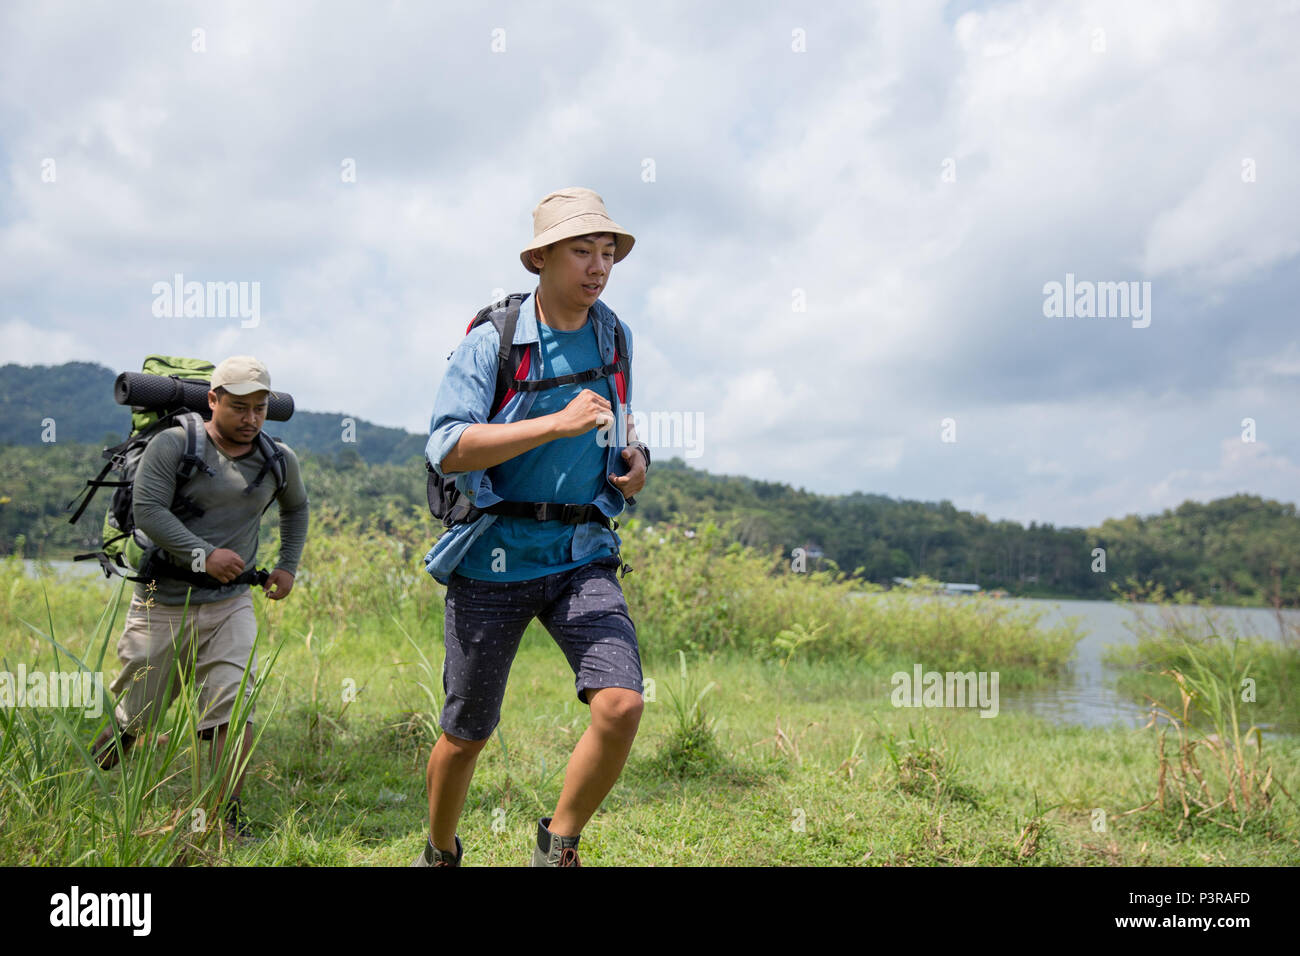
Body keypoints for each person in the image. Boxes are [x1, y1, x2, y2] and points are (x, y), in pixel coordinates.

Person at [415, 187, 651, 867]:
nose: (599, 266)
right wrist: (553, 423)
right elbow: (449, 446)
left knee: (621, 705)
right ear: (541, 258)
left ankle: (559, 842)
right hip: (492, 557)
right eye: (583, 250)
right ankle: (439, 850)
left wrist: (634, 467)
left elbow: (619, 422)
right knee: (465, 735)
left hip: (582, 555)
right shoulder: (494, 340)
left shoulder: (615, 336)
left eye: (608, 253)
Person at [90, 356, 310, 840]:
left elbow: (296, 510)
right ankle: (96, 767)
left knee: (232, 708)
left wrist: (288, 564)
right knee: (135, 717)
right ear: (213, 401)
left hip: (231, 604)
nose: (251, 418)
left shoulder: (278, 458)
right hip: (161, 601)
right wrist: (204, 554)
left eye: (259, 408)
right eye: (238, 407)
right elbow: (147, 511)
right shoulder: (175, 444)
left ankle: (223, 819)